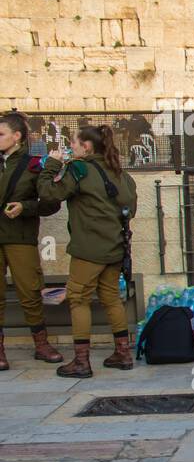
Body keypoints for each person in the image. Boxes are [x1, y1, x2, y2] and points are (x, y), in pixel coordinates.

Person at [36, 125, 137, 379]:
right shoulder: (121, 174)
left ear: (87, 146)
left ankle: (81, 362)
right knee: (112, 298)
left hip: (88, 250)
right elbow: (130, 210)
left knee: (79, 299)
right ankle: (123, 354)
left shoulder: (79, 169)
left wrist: (51, 164)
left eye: (73, 143)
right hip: (115, 248)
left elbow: (49, 193)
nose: (71, 147)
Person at [0, 111, 63, 370]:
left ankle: (41, 344)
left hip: (20, 236)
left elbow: (51, 203)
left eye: (1, 134)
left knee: (30, 292)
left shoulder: (34, 164)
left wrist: (24, 207)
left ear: (16, 137)